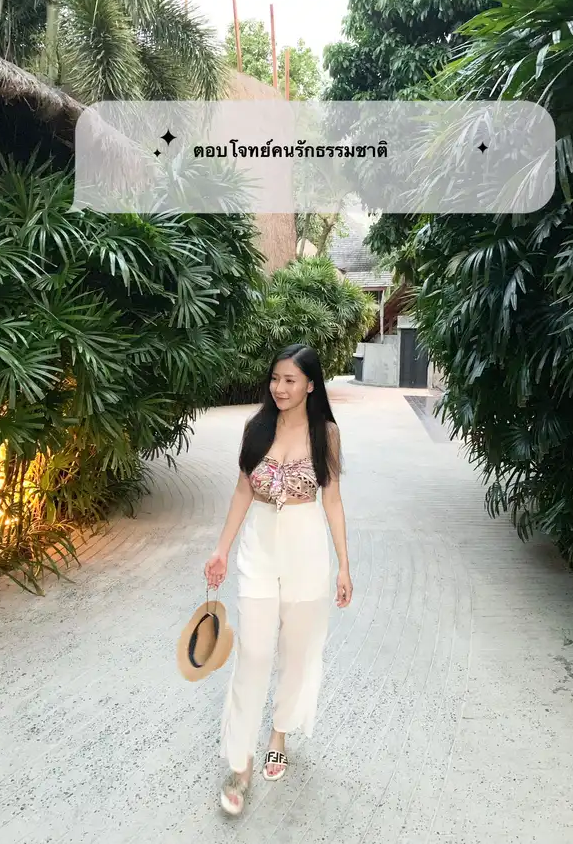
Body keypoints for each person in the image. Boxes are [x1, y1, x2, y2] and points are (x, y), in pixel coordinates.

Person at [204, 343, 353, 816]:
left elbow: (333, 501)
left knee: (297, 653)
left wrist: (344, 565)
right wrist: (222, 549)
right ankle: (240, 762)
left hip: (307, 553)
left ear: (310, 384)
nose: (280, 388)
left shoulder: (326, 434)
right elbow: (242, 491)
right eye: (275, 378)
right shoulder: (257, 427)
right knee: (253, 652)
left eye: (290, 380)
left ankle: (278, 735)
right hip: (259, 552)